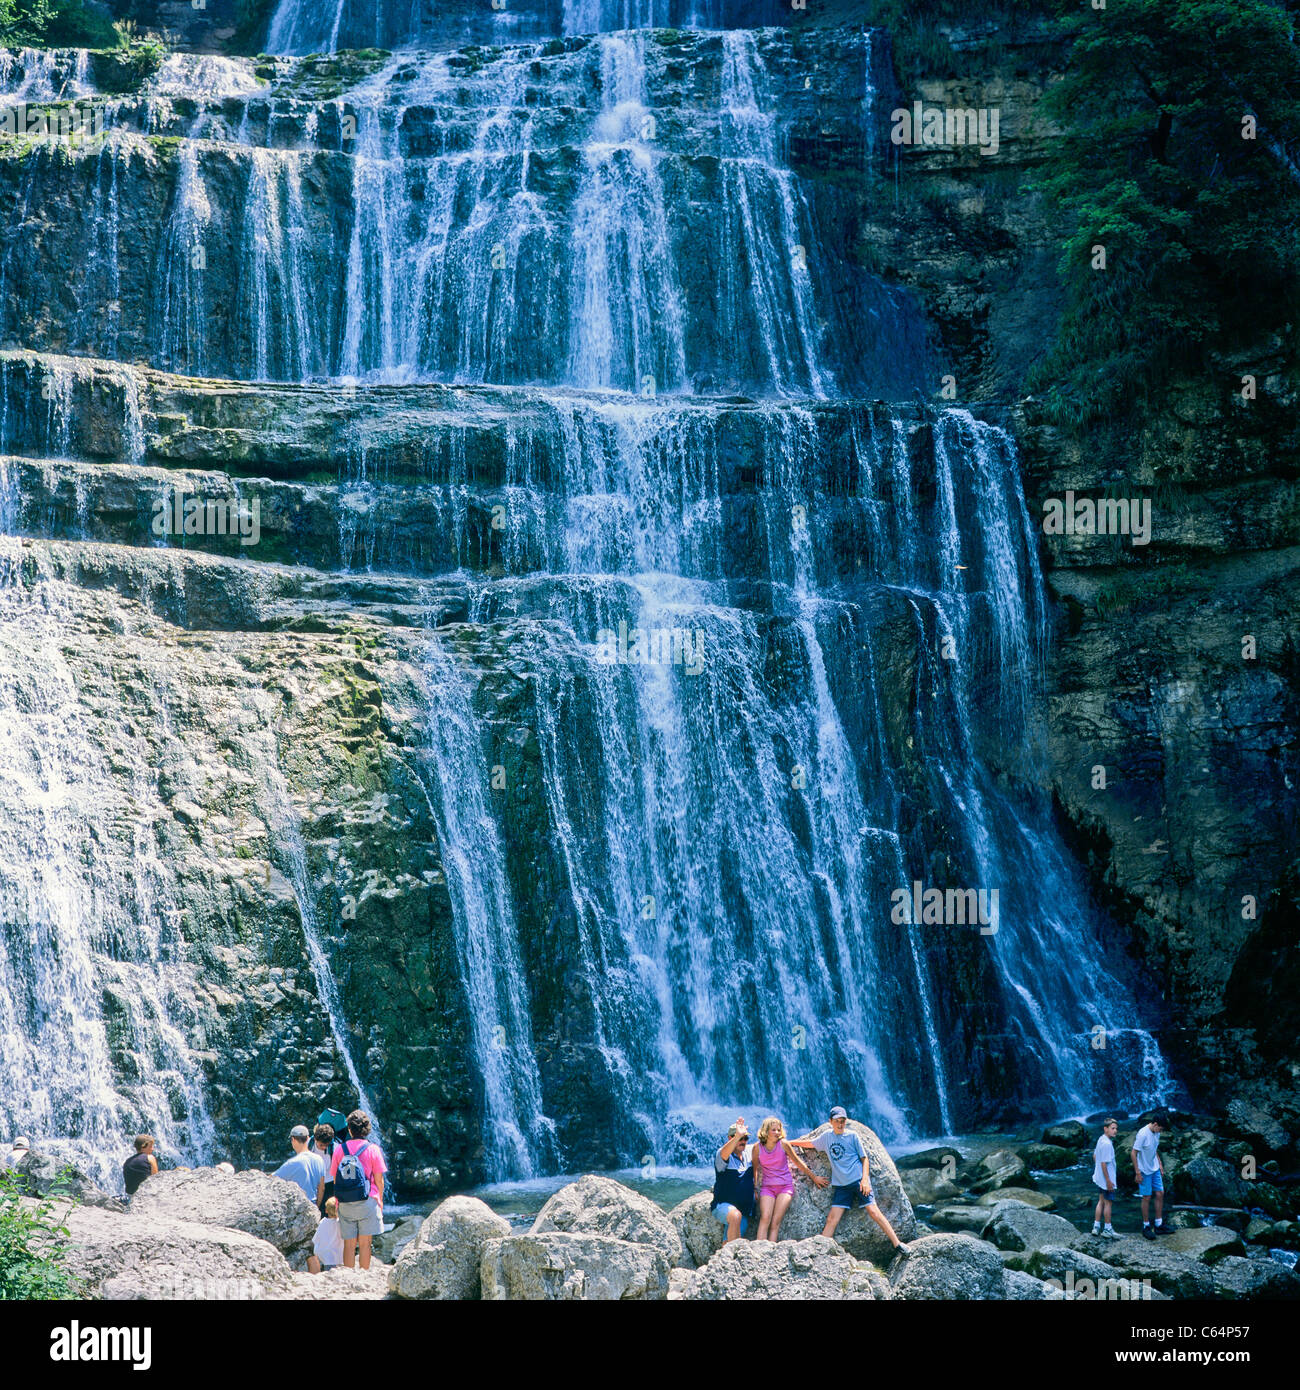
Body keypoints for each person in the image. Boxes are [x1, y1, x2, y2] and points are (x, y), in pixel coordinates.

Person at [791, 1106, 908, 1254]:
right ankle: (820, 1252)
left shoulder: (853, 1136)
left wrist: (865, 1180)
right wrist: (790, 1142)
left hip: (858, 1180)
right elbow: (810, 1143)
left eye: (842, 1121)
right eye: (837, 1121)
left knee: (874, 1212)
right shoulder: (826, 1137)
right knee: (832, 1219)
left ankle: (897, 1244)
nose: (840, 1124)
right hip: (842, 1185)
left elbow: (864, 1159)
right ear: (830, 1122)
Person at [751, 1116, 826, 1242]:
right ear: (765, 1131)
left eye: (778, 1130)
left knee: (775, 1222)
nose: (777, 1132)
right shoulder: (757, 1148)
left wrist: (814, 1177)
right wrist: (754, 1188)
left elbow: (798, 1162)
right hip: (767, 1187)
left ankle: (771, 1249)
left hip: (785, 1187)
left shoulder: (783, 1144)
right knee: (765, 1218)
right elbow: (755, 1169)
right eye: (773, 1130)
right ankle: (759, 1248)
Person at [328, 1110, 386, 1270]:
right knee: (365, 1244)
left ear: (349, 1129)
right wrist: (380, 1200)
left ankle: (349, 1277)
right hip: (368, 1201)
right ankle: (364, 1276)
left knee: (349, 1244)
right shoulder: (373, 1149)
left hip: (345, 1202)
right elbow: (379, 1180)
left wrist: (338, 1201)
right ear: (367, 1129)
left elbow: (335, 1179)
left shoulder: (340, 1149)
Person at [710, 1119, 754, 1243]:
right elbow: (723, 1154)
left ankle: (725, 1255)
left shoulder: (748, 1152)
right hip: (722, 1206)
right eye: (739, 1138)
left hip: (744, 1210)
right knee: (735, 1216)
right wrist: (737, 1136)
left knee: (729, 1242)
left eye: (745, 1138)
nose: (743, 1141)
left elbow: (768, 1142)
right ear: (730, 1138)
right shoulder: (722, 1154)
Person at [1132, 1109, 1169, 1239]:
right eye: (1160, 1129)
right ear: (1155, 1124)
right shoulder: (1142, 1134)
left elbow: (1154, 1148)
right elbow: (1133, 1153)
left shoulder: (1156, 1132)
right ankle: (1146, 1226)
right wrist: (1137, 1172)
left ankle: (1158, 1224)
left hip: (1154, 1167)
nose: (1161, 1132)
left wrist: (1160, 1163)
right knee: (1146, 1197)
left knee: (1160, 1193)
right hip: (1144, 1170)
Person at [273, 1125, 327, 1203]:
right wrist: (316, 1207)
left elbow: (270, 1179)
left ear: (293, 1139)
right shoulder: (319, 1159)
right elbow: (321, 1188)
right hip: (313, 1204)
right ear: (308, 1138)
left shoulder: (292, 1163)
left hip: (298, 1206)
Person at [1091, 1118, 1120, 1237]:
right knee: (1108, 1203)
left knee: (1101, 1201)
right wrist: (1108, 1181)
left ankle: (1096, 1226)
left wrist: (1098, 1170)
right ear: (1105, 1129)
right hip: (1107, 1180)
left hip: (1099, 1178)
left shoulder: (1101, 1139)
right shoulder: (1107, 1144)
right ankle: (1107, 1229)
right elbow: (1104, 1163)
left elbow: (1095, 1156)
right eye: (1112, 1128)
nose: (1115, 1131)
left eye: (1116, 1128)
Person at [308, 1196, 344, 1274]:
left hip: (325, 1256)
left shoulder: (322, 1222)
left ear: (326, 1210)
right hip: (339, 1256)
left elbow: (315, 1239)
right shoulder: (341, 1223)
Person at [312, 1123, 337, 1215]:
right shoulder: (308, 1145)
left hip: (330, 1184)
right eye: (321, 1145)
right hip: (314, 1183)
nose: (324, 1147)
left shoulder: (336, 1148)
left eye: (326, 1145)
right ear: (315, 1139)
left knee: (328, 1213)